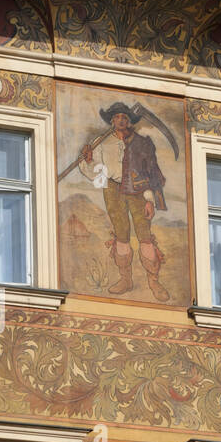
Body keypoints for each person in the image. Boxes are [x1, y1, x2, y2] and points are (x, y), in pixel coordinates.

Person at [79, 103, 170, 301]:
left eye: (124, 117)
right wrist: (88, 161)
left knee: (145, 236)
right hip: (113, 189)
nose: (121, 120)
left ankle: (154, 281)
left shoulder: (140, 143)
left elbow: (149, 172)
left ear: (129, 121)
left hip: (137, 190)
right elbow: (98, 175)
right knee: (121, 235)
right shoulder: (101, 143)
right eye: (117, 117)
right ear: (112, 120)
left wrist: (149, 200)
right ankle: (125, 279)